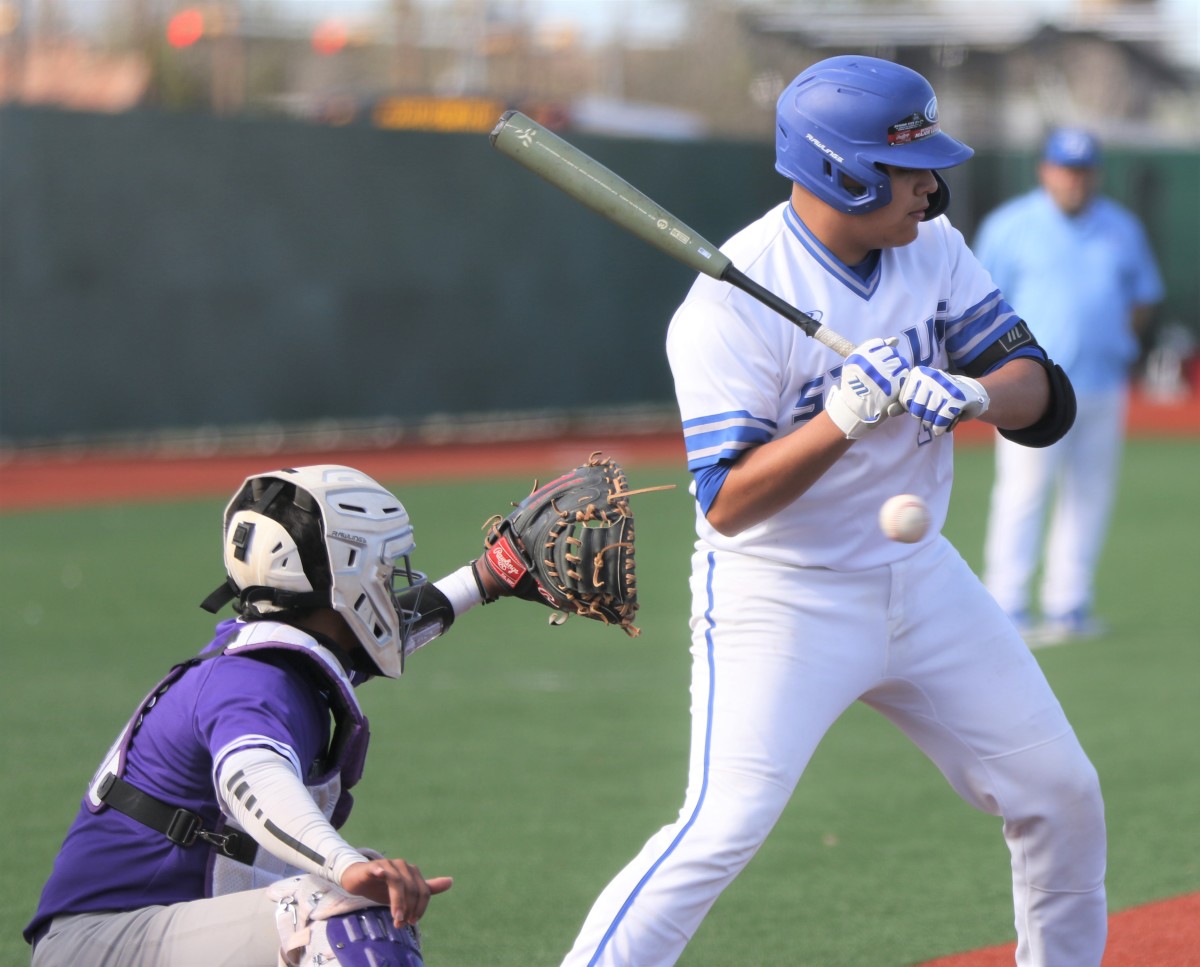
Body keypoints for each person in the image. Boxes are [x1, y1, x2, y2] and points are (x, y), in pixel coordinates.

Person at [559, 55, 1106, 966]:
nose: (931, 186)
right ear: (840, 169)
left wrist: (972, 393)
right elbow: (728, 502)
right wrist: (843, 417)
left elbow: (1043, 393)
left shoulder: (933, 247)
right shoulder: (724, 309)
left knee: (1061, 790)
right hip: (783, 598)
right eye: (910, 166)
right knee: (719, 827)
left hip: (923, 581)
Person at [25, 464, 519, 967]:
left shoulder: (277, 660)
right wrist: (342, 865)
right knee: (341, 915)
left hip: (156, 933)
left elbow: (388, 635)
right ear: (347, 578)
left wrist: (487, 578)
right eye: (384, 569)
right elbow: (255, 781)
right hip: (101, 944)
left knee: (342, 898)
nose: (393, 585)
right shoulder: (251, 684)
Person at [976, 127, 1164, 645]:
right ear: (1045, 169)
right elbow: (979, 303)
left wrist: (1119, 341)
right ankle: (1006, 603)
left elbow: (1144, 294)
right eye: (1065, 168)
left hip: (1102, 382)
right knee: (1023, 492)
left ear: (1096, 174)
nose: (1074, 180)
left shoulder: (1121, 227)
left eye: (1083, 170)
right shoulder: (1010, 225)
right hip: (1031, 391)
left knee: (1089, 495)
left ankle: (1069, 603)